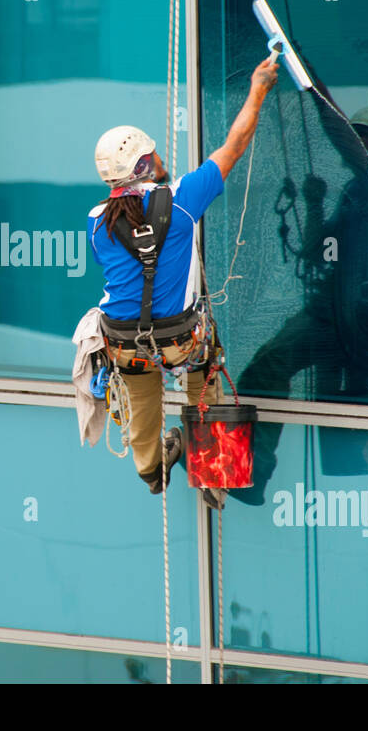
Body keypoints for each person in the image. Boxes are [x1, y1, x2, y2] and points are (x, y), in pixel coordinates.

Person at [89, 56, 278, 507]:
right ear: (144, 164)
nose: (160, 158)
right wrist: (258, 88)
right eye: (153, 155)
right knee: (203, 362)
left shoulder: (96, 222)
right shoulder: (182, 201)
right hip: (179, 338)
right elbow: (235, 144)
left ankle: (153, 469)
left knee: (140, 397)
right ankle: (212, 471)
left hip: (123, 342)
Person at [235, 102, 368, 503]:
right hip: (343, 314)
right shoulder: (358, 195)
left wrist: (312, 91)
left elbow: (344, 145)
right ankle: (254, 473)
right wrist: (316, 202)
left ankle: (252, 473)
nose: (357, 143)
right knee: (291, 384)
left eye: (365, 136)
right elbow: (316, 250)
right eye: (356, 135)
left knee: (270, 367)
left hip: (349, 321)